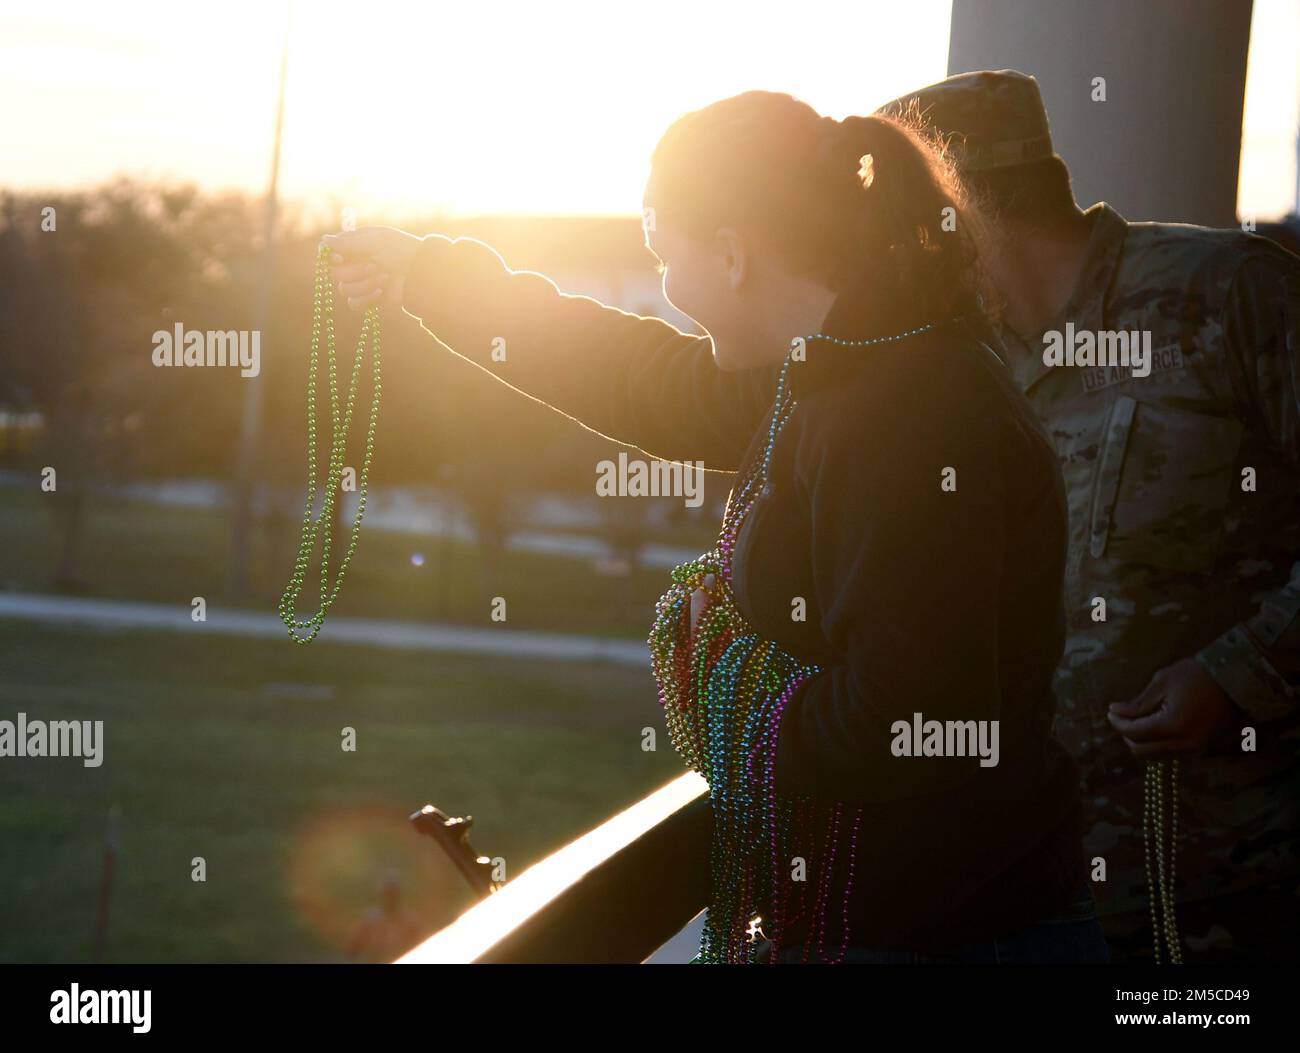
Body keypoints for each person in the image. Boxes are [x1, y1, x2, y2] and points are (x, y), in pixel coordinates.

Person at [323, 90, 1103, 963]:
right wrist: (432, 278)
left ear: (731, 254)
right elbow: (633, 373)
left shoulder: (905, 411)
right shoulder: (828, 370)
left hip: (950, 939)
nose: (665, 287)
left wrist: (722, 667)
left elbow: (909, 721)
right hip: (889, 920)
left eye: (666, 256)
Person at [880, 69, 1300, 962]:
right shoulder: (957, 363)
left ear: (956, 213)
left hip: (1242, 888)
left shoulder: (1228, 293)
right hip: (1051, 903)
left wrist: (1241, 673)